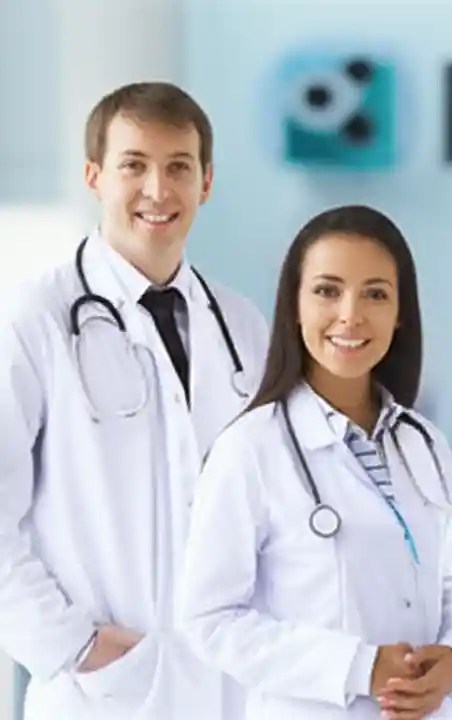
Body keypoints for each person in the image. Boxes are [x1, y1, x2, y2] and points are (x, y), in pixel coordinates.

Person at [0, 81, 269, 719]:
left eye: (179, 167)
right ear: (94, 175)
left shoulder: (242, 325)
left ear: (206, 182)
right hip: (102, 693)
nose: (158, 190)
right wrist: (73, 646)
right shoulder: (35, 319)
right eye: (133, 166)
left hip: (231, 686)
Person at [176, 205, 452, 719]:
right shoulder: (251, 449)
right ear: (294, 304)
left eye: (376, 294)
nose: (350, 315)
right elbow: (210, 619)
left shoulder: (423, 443)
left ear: (401, 312)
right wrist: (356, 667)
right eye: (327, 290)